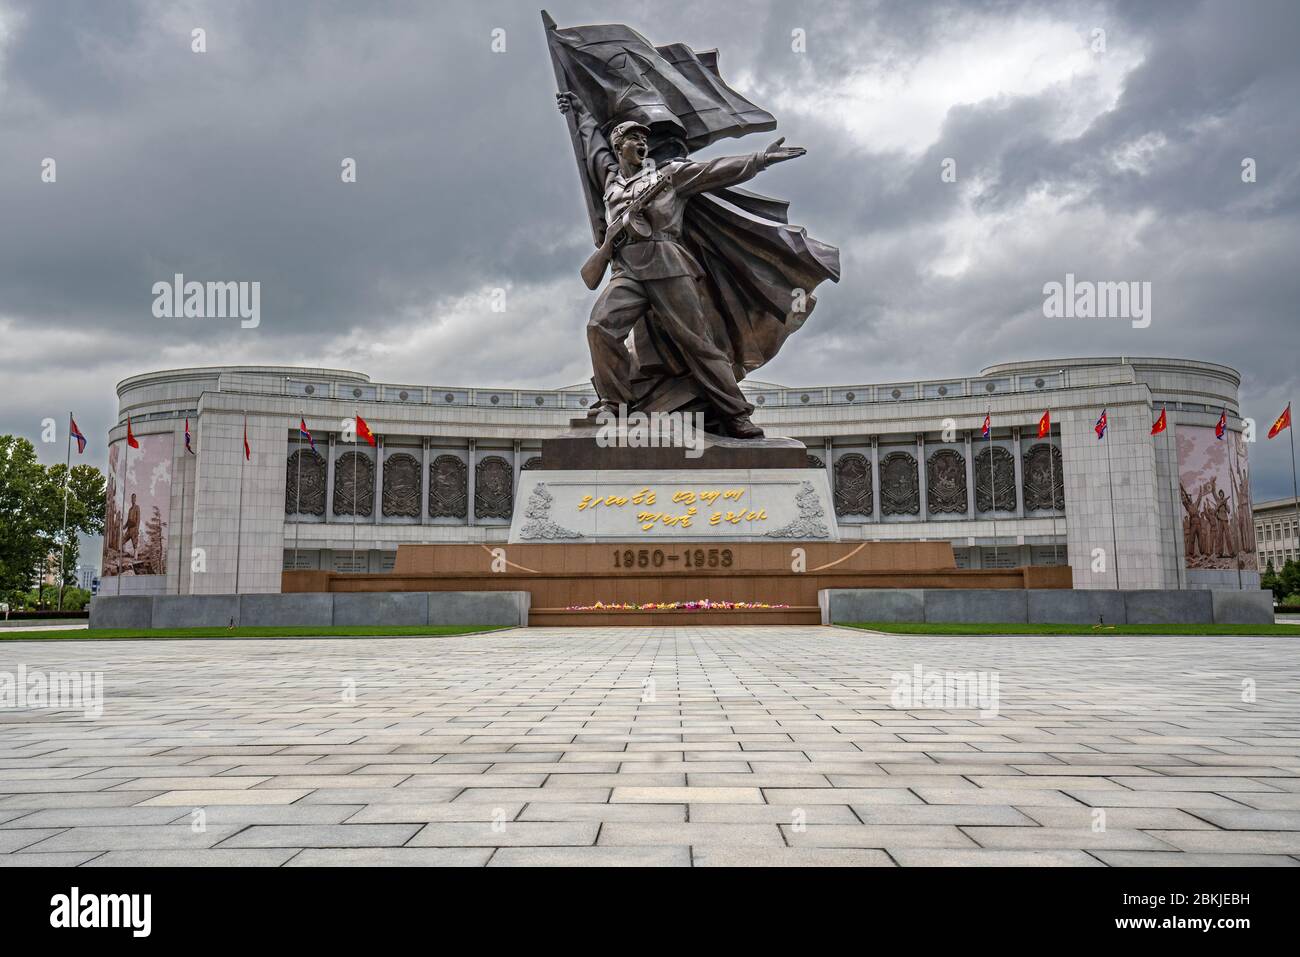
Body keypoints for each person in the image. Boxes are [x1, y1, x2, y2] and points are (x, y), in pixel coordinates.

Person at [557, 91, 808, 439]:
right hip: (626, 270)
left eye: (645, 140)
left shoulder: (669, 176)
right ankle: (615, 405)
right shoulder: (611, 181)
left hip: (668, 265)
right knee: (599, 328)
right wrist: (579, 108)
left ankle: (736, 414)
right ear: (619, 146)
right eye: (633, 139)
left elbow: (714, 171)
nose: (642, 144)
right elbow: (593, 147)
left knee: (697, 343)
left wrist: (759, 159)